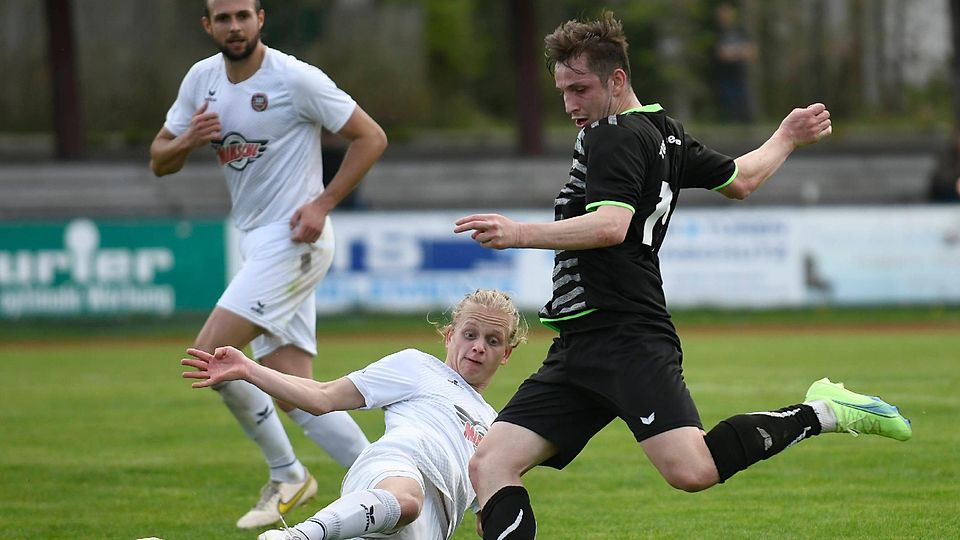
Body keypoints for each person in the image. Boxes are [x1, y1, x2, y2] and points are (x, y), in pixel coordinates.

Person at [453, 12, 912, 539]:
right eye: (562, 91)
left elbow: (611, 226)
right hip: (578, 344)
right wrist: (785, 136)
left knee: (691, 471)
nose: (571, 104)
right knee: (490, 464)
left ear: (617, 80)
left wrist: (517, 233)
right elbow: (742, 180)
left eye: (580, 88)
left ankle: (825, 411)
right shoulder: (662, 133)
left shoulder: (614, 136)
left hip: (627, 337)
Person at [150, 0, 387, 528]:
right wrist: (189, 138)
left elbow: (371, 136)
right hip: (257, 242)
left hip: (297, 239)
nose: (234, 27)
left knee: (212, 355)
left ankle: (287, 474)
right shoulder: (201, 80)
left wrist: (322, 204)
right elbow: (159, 160)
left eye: (243, 15)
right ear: (208, 25)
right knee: (296, 390)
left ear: (261, 18)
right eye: (223, 18)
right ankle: (388, 484)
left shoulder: (295, 78)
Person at [181, 289, 528, 540]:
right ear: (451, 336)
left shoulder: (494, 425)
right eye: (470, 335)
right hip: (394, 468)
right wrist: (248, 369)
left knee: (411, 511)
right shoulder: (416, 366)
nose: (479, 346)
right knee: (407, 501)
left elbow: (492, 519)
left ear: (507, 353)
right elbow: (322, 397)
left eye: (493, 340)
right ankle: (296, 537)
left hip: (429, 528)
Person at [712, 2, 758, 123]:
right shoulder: (717, 32)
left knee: (742, 98)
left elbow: (751, 51)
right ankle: (729, 122)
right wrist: (737, 53)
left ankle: (746, 122)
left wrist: (733, 53)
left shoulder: (741, 30)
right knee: (726, 99)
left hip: (739, 71)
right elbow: (721, 54)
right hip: (722, 73)